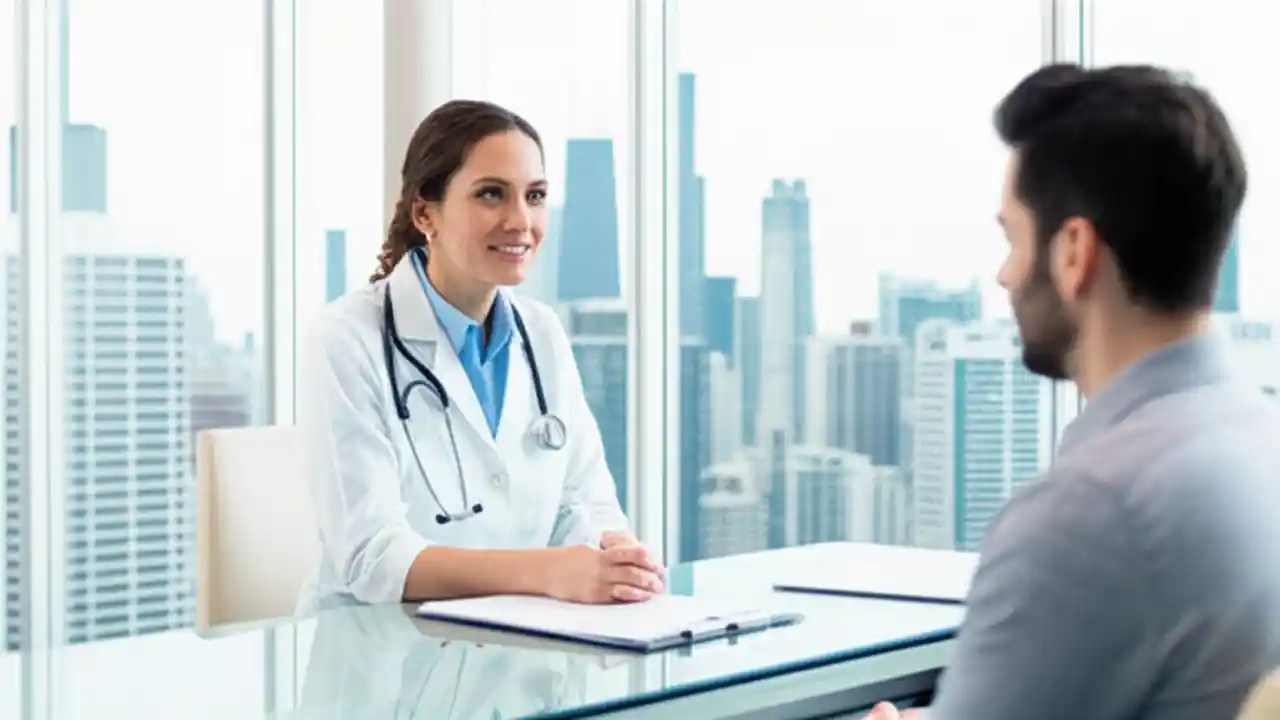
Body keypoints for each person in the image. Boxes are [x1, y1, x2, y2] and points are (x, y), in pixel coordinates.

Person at [867, 64, 1280, 719]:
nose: (1005, 275)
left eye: (1012, 238)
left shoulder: (1092, 513)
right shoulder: (1260, 441)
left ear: (1073, 251)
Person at [297, 99, 664, 612]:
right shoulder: (347, 338)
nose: (521, 220)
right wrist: (549, 572)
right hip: (381, 660)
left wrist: (615, 555)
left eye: (535, 196)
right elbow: (371, 557)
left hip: (519, 654)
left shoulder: (543, 334)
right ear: (425, 212)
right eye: (491, 194)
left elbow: (585, 502)